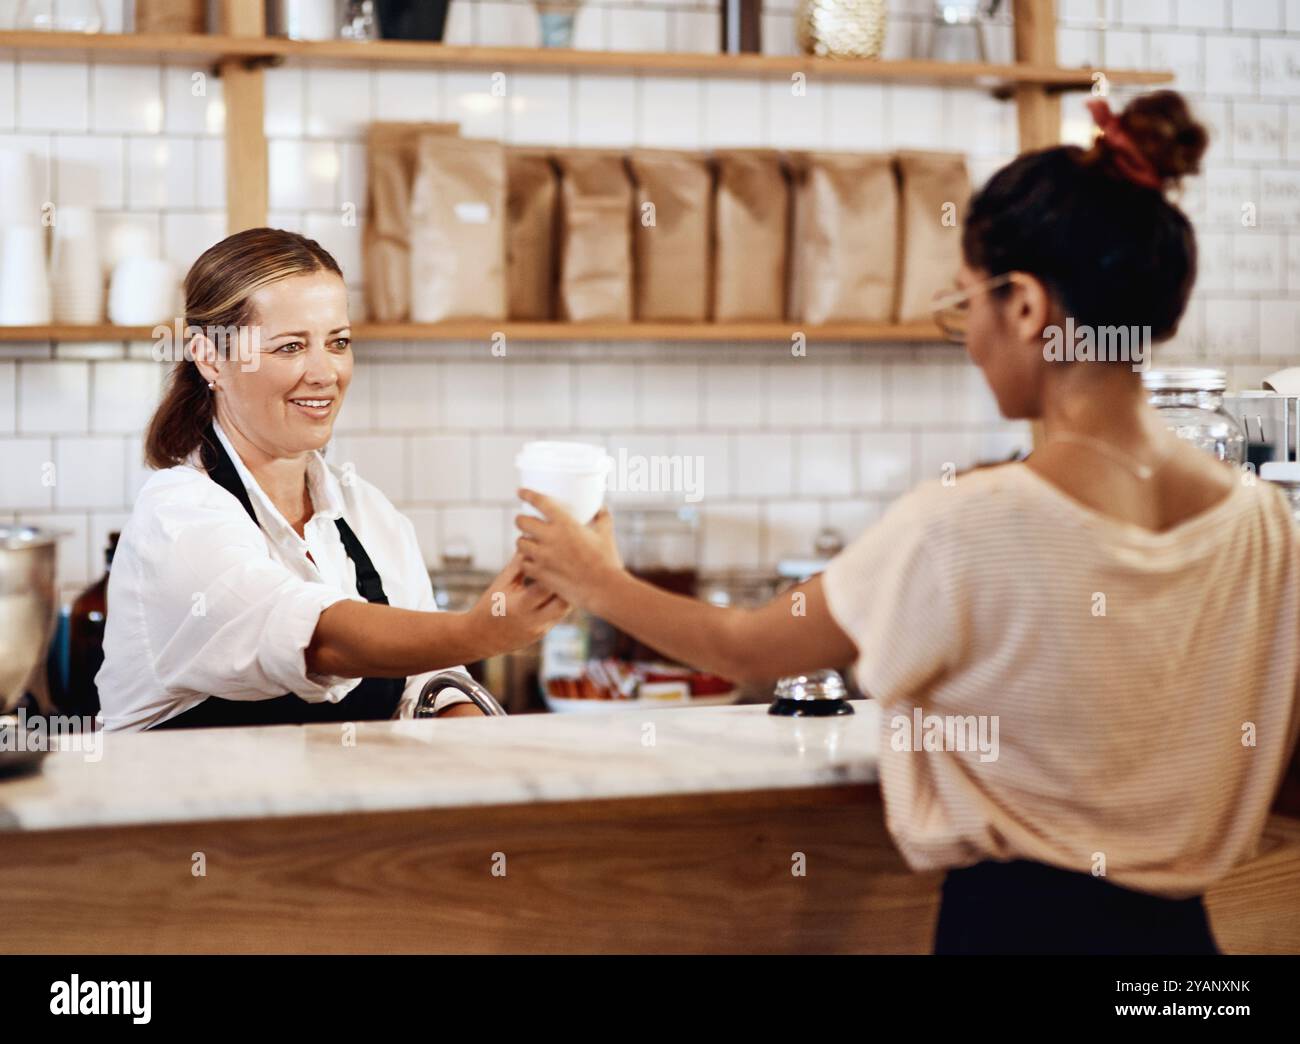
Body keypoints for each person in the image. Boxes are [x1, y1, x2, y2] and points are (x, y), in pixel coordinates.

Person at [512, 91, 1300, 955]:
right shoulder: (1266, 525)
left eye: (967, 304)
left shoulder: (970, 522)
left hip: (1017, 934)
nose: (965, 338)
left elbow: (744, 649)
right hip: (1185, 957)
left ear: (1027, 307)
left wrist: (595, 579)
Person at [97, 228, 566, 731]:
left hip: (335, 807)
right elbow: (316, 637)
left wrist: (477, 740)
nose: (325, 373)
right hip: (185, 808)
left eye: (338, 342)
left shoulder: (366, 511)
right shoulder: (177, 516)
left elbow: (426, 680)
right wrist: (484, 631)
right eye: (290, 347)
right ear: (210, 356)